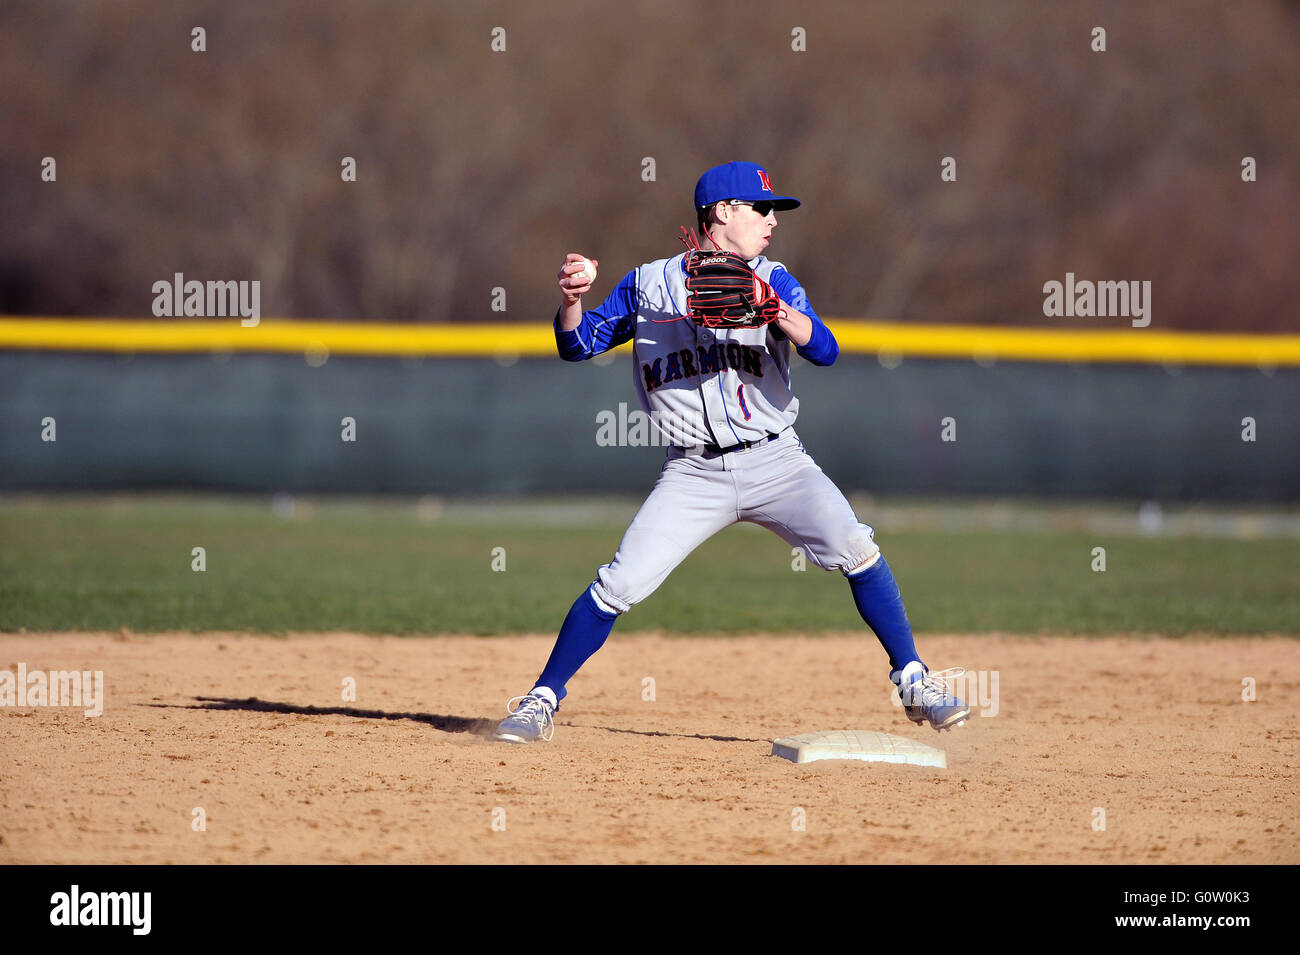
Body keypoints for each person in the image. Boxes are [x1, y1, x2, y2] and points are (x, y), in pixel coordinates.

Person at [492, 160, 969, 744]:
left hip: (778, 460)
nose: (773, 221)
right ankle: (542, 699)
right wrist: (571, 299)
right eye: (762, 209)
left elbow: (826, 349)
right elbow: (577, 344)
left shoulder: (775, 278)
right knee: (618, 584)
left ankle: (913, 679)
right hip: (693, 471)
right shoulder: (648, 284)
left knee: (856, 547)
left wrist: (776, 312)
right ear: (723, 213)